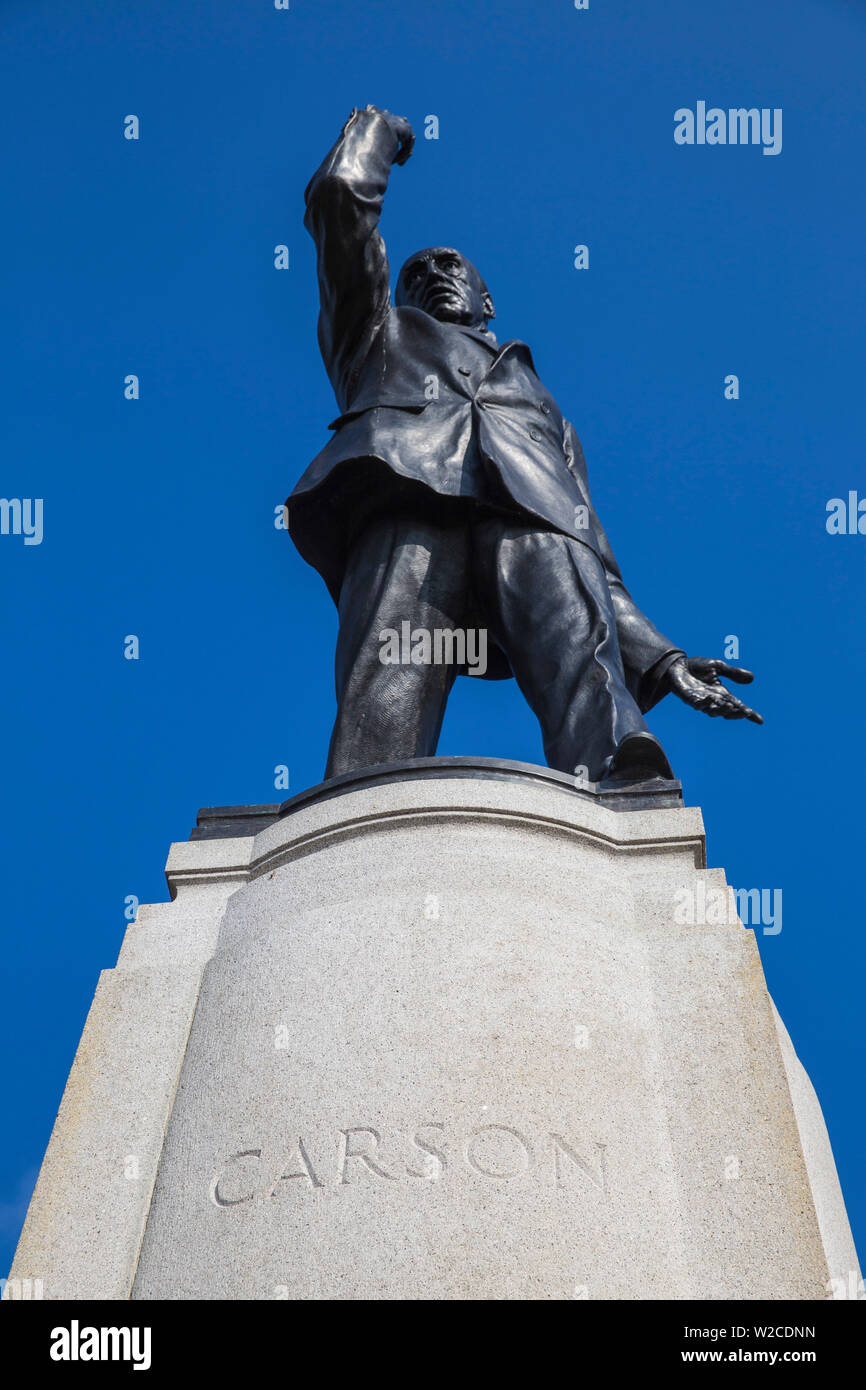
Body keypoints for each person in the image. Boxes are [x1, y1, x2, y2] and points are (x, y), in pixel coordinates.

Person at [286, 105, 762, 782]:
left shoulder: (542, 402)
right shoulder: (375, 338)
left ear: (489, 301)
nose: (436, 270)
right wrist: (376, 129)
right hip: (410, 497)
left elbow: (597, 555)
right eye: (416, 272)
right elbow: (339, 200)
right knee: (390, 679)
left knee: (579, 624)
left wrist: (661, 659)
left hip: (531, 518)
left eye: (453, 265)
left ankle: (617, 765)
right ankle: (357, 814)